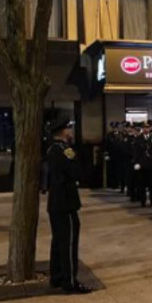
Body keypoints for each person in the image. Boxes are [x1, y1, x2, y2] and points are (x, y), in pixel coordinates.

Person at [44, 122, 91, 294]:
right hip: (66, 202)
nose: (71, 131)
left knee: (58, 242)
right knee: (69, 243)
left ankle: (57, 277)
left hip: (56, 202)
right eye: (69, 128)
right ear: (63, 131)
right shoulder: (65, 150)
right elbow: (75, 172)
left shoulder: (51, 148)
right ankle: (70, 281)